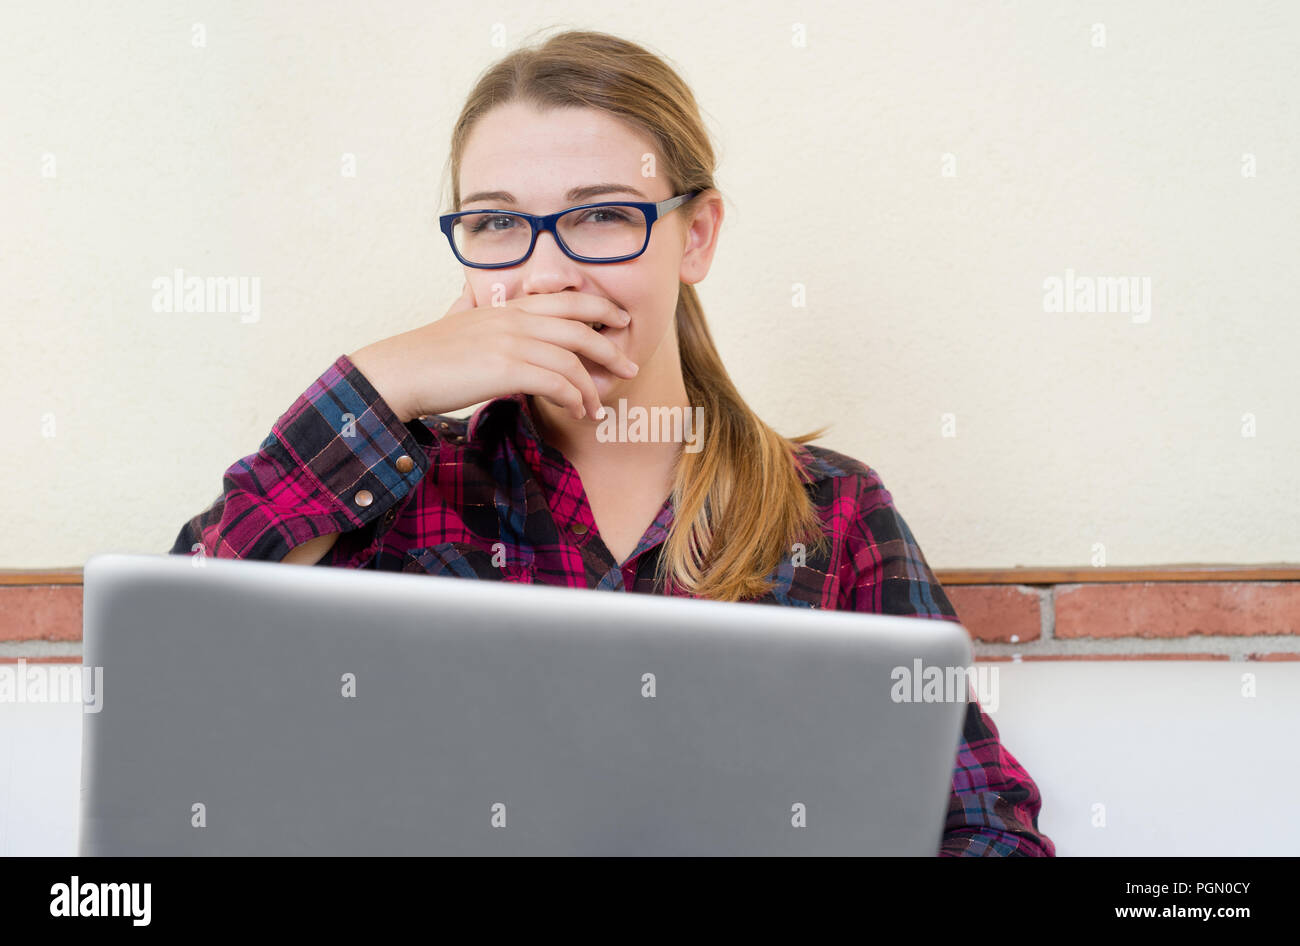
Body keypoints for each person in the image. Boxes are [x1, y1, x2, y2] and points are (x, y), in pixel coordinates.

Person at [172, 28, 1055, 857]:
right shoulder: (398, 494)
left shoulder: (836, 511)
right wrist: (384, 380)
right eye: (496, 224)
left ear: (695, 236)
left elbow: (984, 825)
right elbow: (183, 666)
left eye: (600, 217)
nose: (546, 272)